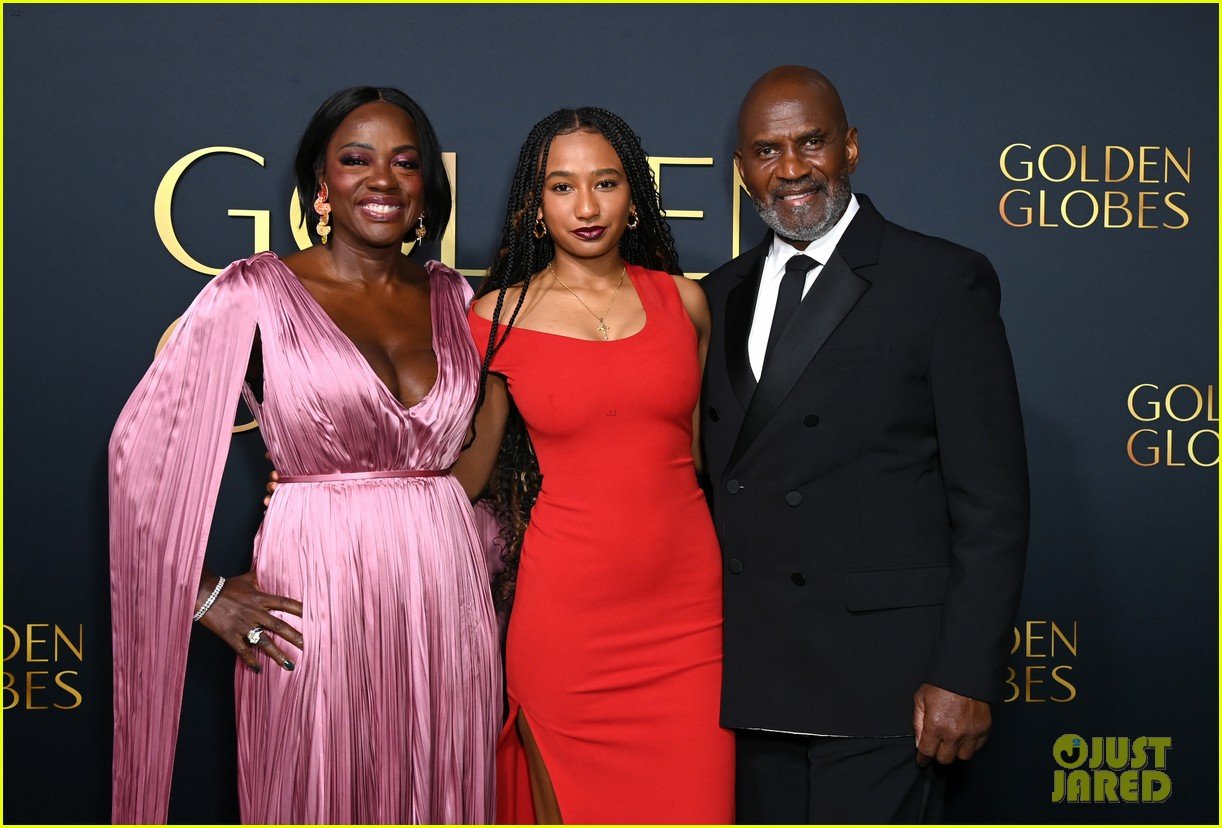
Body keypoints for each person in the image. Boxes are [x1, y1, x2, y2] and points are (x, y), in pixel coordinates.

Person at [109, 87, 499, 824]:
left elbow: (495, 439)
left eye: (404, 163)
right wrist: (204, 594)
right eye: (355, 160)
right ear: (321, 187)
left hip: (443, 600)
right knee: (313, 790)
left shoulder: (456, 299)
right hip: (312, 592)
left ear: (426, 189)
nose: (381, 179)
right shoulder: (254, 291)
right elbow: (141, 454)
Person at [699, 66, 1029, 823]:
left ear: (849, 148)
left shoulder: (940, 281)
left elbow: (993, 502)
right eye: (766, 150)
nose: (790, 169)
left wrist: (966, 675)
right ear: (743, 171)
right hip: (751, 681)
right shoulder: (716, 297)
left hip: (892, 686)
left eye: (810, 142)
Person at [461, 107, 735, 823]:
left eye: (606, 182)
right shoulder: (495, 319)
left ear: (634, 197)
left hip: (690, 627)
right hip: (568, 631)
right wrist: (334, 487)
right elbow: (469, 474)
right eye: (562, 186)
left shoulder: (686, 303)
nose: (586, 207)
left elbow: (711, 466)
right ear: (534, 204)